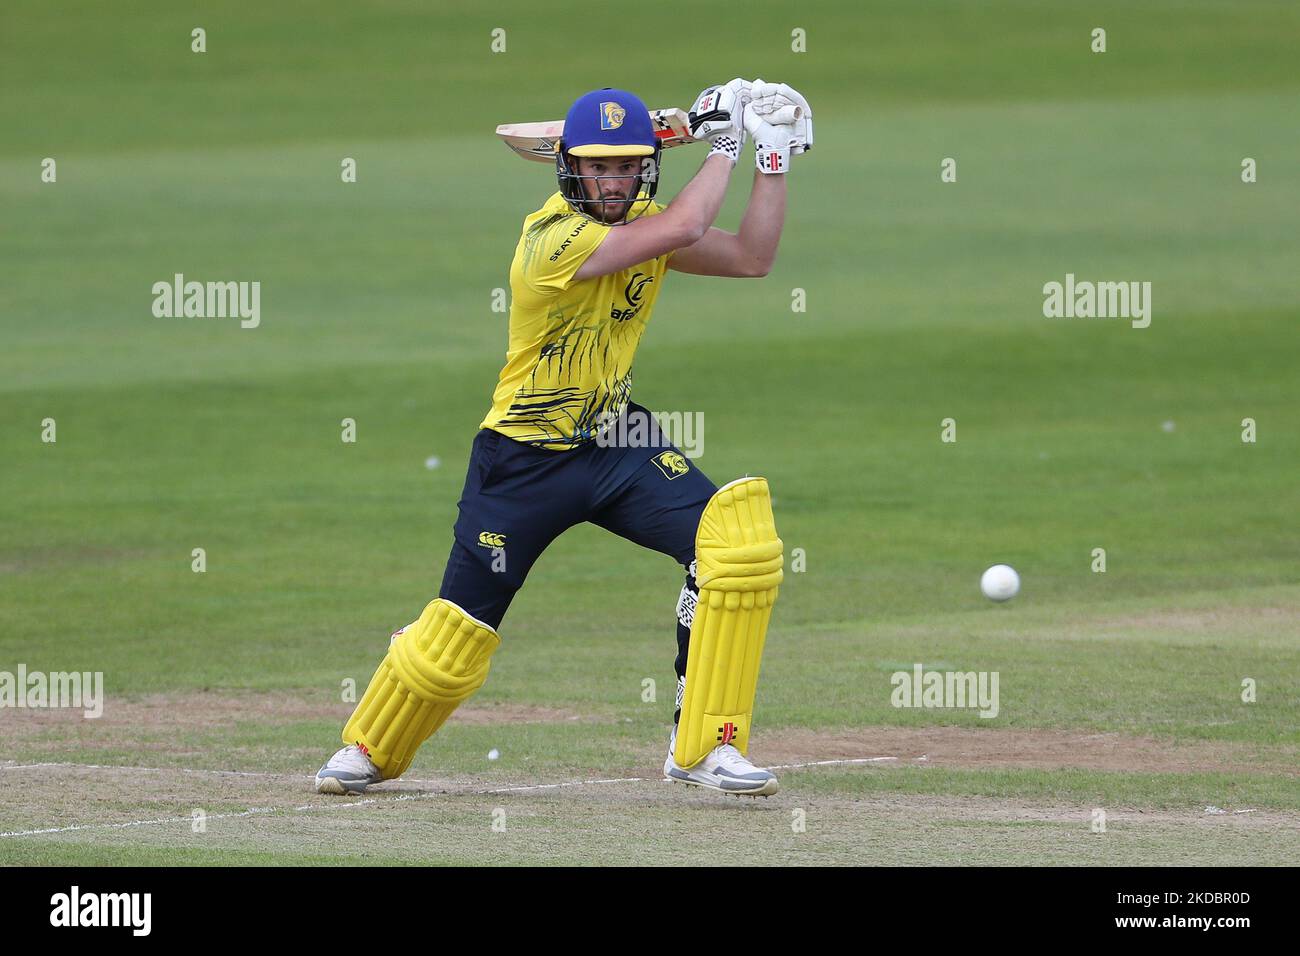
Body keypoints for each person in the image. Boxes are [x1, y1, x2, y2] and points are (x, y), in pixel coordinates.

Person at [315, 80, 812, 797]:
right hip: (521, 459)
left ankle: (705, 746)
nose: (613, 181)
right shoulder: (552, 238)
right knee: (457, 635)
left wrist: (770, 159)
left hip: (617, 438)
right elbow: (681, 230)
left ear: (647, 167)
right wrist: (724, 144)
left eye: (626, 166)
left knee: (737, 550)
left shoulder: (646, 220)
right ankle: (370, 745)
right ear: (568, 167)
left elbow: (751, 257)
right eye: (599, 167)